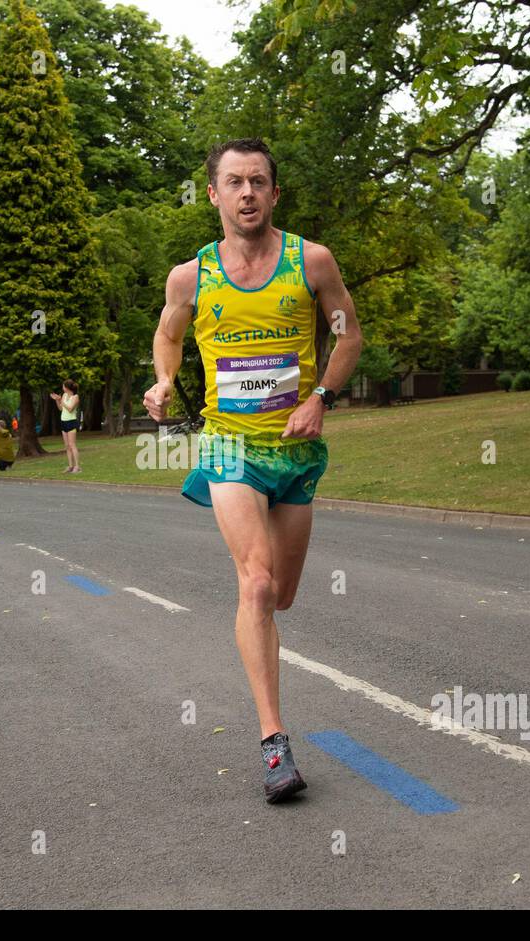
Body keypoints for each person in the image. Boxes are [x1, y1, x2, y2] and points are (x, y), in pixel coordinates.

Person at [143, 139, 363, 804]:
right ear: (212, 193)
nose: (246, 194)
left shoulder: (310, 261)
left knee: (285, 593)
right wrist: (161, 382)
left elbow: (348, 333)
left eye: (258, 182)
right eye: (233, 182)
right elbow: (169, 337)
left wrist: (321, 397)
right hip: (228, 447)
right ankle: (275, 745)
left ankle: (272, 714)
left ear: (274, 193)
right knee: (257, 583)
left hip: (294, 452)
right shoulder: (190, 277)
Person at [50, 379, 82, 473]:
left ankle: (77, 466)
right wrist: (57, 400)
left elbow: (70, 409)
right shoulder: (64, 395)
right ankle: (70, 466)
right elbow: (61, 408)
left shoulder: (75, 397)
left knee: (72, 445)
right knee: (67, 446)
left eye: (63, 386)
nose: (62, 388)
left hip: (71, 422)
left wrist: (61, 400)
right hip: (63, 422)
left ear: (67, 387)